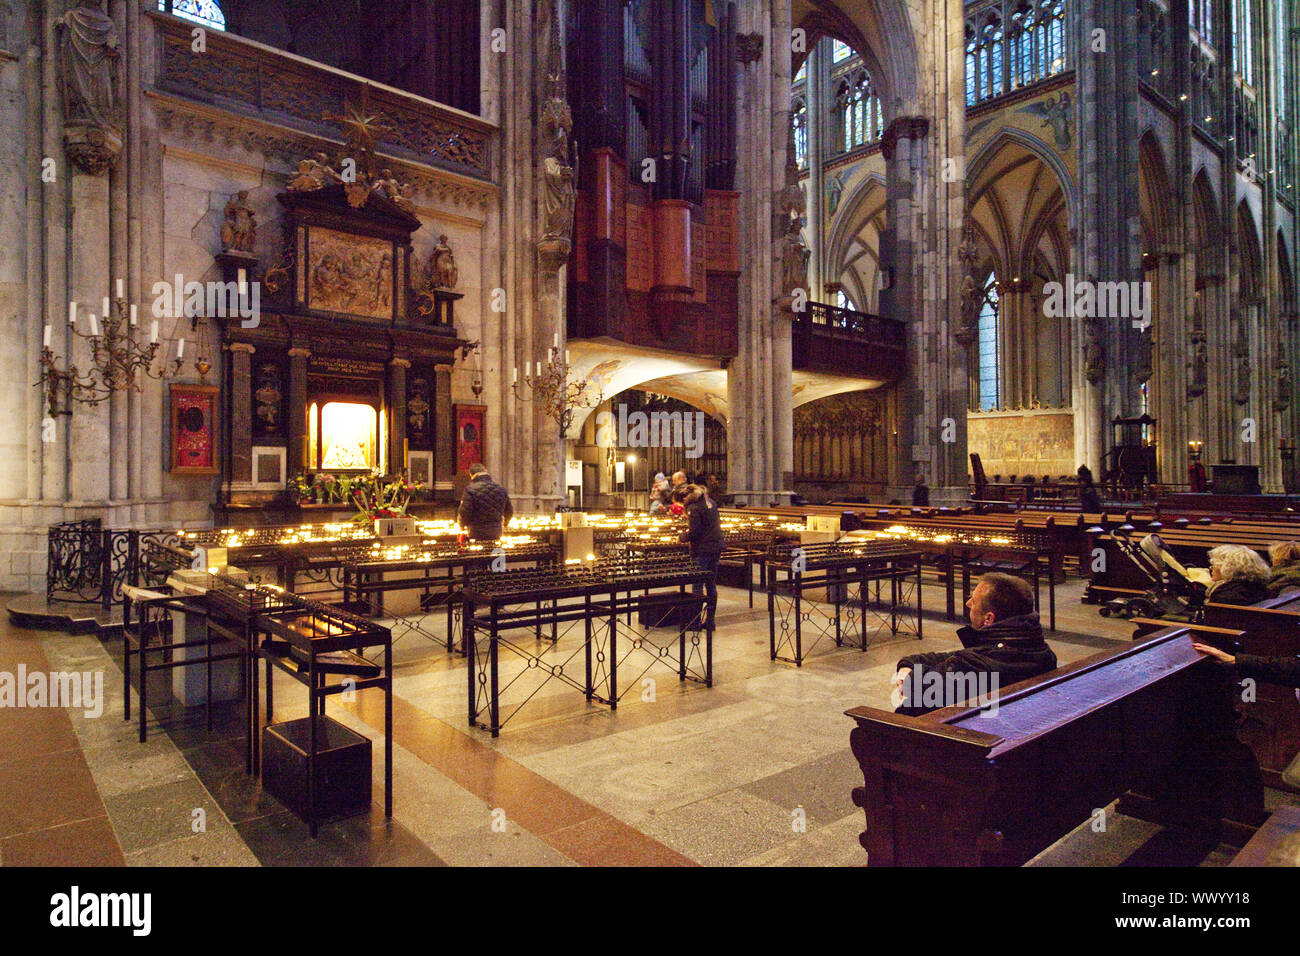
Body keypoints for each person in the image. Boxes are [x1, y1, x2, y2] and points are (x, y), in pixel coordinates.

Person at [891, 573, 1056, 716]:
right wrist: (910, 663)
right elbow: (955, 657)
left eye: (974, 601)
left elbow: (916, 688)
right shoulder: (1037, 648)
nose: (968, 603)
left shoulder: (977, 666)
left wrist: (908, 675)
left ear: (989, 619)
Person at [679, 483, 725, 629]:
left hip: (702, 550)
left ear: (687, 496)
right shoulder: (711, 502)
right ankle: (710, 621)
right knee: (711, 585)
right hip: (716, 547)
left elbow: (695, 532)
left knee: (697, 585)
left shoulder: (694, 508)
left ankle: (696, 622)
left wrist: (682, 537)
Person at [456, 463, 513, 541]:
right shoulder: (501, 489)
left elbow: (464, 512)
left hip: (476, 531)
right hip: (496, 531)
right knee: (494, 551)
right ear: (486, 471)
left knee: (479, 552)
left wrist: (461, 526)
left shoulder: (470, 490)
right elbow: (509, 511)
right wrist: (505, 524)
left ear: (471, 475)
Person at [1204, 544, 1270, 606]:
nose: (1211, 568)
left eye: (1214, 565)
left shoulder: (1226, 596)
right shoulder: (1262, 589)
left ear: (1227, 568)